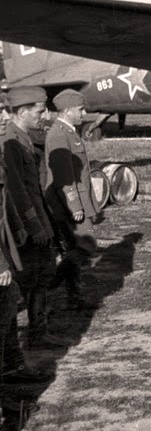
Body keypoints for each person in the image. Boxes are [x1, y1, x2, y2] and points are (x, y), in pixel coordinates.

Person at [1, 86, 67, 350]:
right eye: (40, 111)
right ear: (22, 111)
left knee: (40, 277)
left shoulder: (24, 138)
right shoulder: (10, 142)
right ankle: (32, 337)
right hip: (25, 228)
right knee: (29, 281)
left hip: (38, 220)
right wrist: (33, 226)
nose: (45, 115)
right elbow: (16, 190)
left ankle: (40, 332)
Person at [43, 89, 100, 311]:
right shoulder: (59, 134)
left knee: (74, 247)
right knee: (87, 243)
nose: (83, 113)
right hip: (67, 202)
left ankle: (74, 296)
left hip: (71, 200)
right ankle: (52, 282)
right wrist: (75, 205)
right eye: (80, 109)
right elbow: (64, 176)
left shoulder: (67, 131)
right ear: (67, 111)